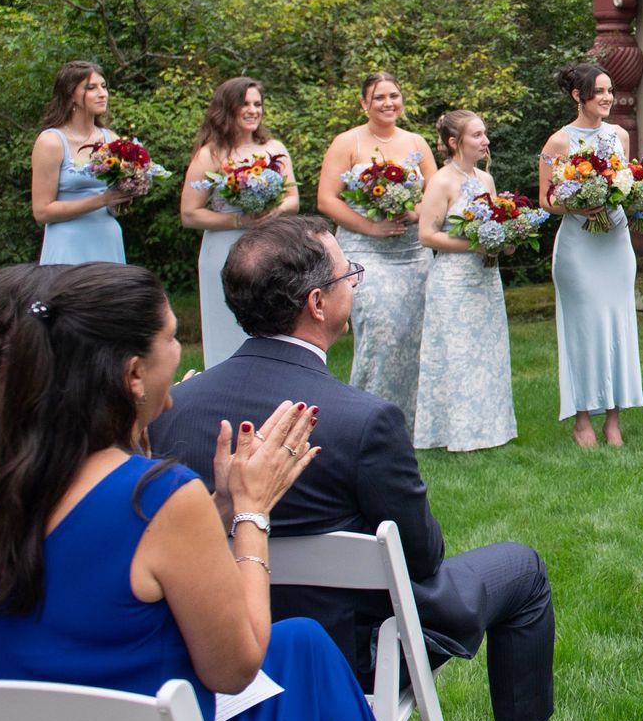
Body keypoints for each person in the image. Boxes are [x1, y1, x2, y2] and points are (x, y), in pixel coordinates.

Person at [147, 218, 594, 721]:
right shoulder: (363, 420)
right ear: (317, 302)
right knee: (524, 570)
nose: (353, 286)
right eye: (347, 275)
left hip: (219, 639)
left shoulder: (175, 406)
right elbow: (423, 558)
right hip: (356, 655)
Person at [0, 260, 402, 721]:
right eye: (173, 337)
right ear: (134, 374)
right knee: (301, 660)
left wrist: (215, 511)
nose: (183, 353)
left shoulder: (4, 478)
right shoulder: (156, 497)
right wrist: (252, 514)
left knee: (301, 645)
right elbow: (236, 670)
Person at [317, 71, 434, 423]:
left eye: (394, 95)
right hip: (365, 253)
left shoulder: (416, 143)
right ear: (364, 103)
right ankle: (367, 419)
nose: (388, 103)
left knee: (418, 337)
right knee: (380, 333)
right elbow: (326, 200)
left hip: (413, 254)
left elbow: (437, 193)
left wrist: (414, 212)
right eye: (379, 97)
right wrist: (372, 226)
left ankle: (415, 423)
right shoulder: (347, 143)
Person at [538, 62, 643, 448]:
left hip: (615, 242)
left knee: (617, 326)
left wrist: (631, 198)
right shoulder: (558, 143)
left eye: (610, 90)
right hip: (578, 247)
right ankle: (582, 418)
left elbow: (627, 182)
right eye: (599, 91)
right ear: (577, 96)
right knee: (582, 330)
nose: (607, 97)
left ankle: (613, 418)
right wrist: (580, 206)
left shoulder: (620, 135)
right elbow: (546, 200)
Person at [413, 110, 518, 452]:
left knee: (488, 354)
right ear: (454, 142)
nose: (485, 140)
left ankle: (491, 430)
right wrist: (474, 243)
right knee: (457, 356)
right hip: (453, 280)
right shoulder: (441, 181)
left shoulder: (485, 179)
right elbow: (427, 235)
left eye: (484, 134)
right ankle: (454, 434)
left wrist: (506, 237)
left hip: (486, 277)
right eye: (477, 135)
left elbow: (494, 223)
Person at [179, 77, 299, 368]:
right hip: (223, 249)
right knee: (226, 324)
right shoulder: (211, 154)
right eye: (245, 104)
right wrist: (238, 220)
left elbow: (293, 200)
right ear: (227, 107)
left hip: (269, 247)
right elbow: (190, 213)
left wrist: (274, 211)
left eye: (257, 104)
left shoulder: (275, 148)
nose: (253, 110)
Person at [29, 60, 131, 265]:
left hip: (107, 237)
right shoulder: (51, 142)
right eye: (91, 88)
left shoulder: (111, 139)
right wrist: (101, 200)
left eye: (104, 86)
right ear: (70, 95)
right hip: (69, 242)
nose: (102, 93)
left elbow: (115, 203)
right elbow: (41, 212)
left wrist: (129, 190)